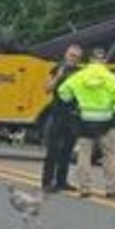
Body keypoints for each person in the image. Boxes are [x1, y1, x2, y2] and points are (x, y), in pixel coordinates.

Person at [58, 46, 115, 199]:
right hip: (106, 122)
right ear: (104, 60)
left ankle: (84, 188)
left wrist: (73, 102)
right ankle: (111, 189)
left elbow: (63, 93)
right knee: (110, 156)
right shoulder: (111, 78)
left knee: (84, 155)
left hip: (85, 121)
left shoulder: (80, 76)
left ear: (89, 60)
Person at [39, 44, 84, 193]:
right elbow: (46, 89)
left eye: (77, 57)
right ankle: (46, 182)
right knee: (53, 149)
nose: (73, 59)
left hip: (73, 115)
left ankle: (61, 181)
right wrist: (58, 76)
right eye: (71, 55)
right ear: (66, 55)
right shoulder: (58, 68)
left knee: (67, 150)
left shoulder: (80, 72)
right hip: (58, 113)